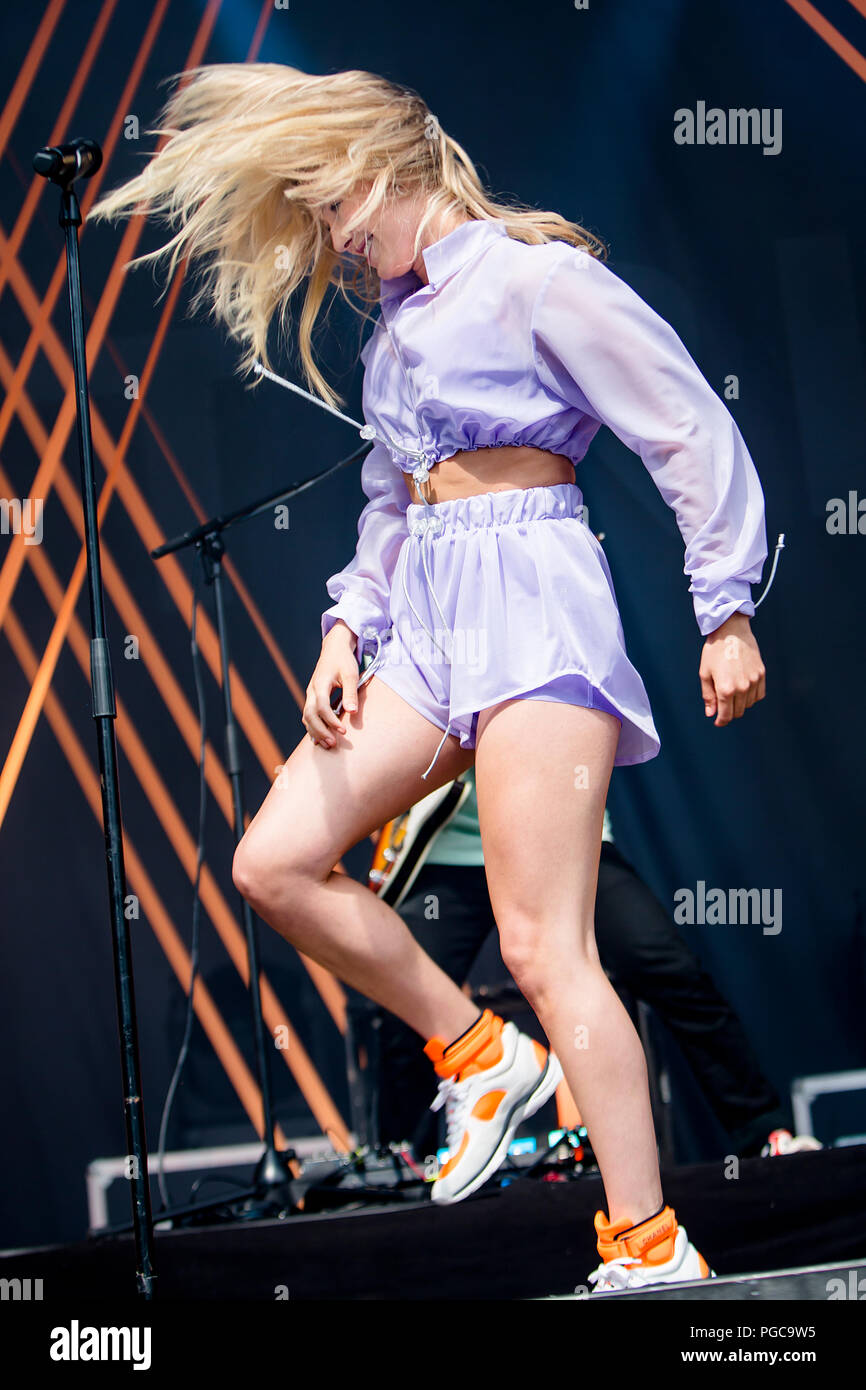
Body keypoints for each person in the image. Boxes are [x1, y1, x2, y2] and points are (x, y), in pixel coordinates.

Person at [93, 63, 768, 1292]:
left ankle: (646, 1242)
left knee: (541, 941)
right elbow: (386, 503)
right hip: (426, 622)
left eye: (339, 201)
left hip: (535, 605)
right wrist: (345, 628)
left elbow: (685, 427)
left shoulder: (530, 279)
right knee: (273, 861)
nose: (336, 236)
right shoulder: (396, 332)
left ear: (395, 161)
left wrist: (722, 609)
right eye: (317, 217)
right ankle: (477, 1055)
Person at [359, 769, 820, 1166]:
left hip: (566, 841)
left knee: (665, 963)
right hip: (451, 848)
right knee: (403, 997)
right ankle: (403, 1168)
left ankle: (764, 1135)